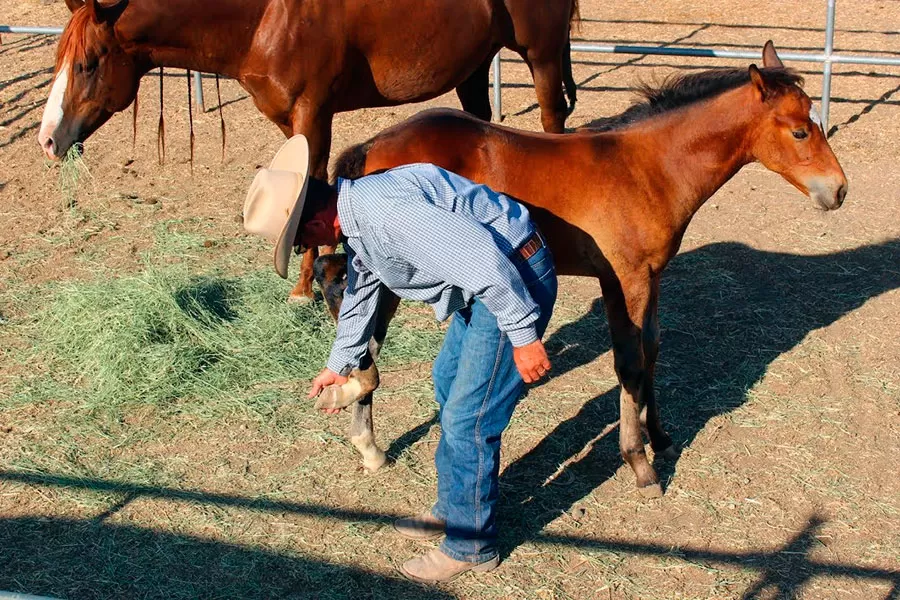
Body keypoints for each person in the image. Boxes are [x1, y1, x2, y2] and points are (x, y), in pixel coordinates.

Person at [243, 134, 557, 583]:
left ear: (313, 221)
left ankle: (471, 546)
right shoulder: (359, 216)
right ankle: (454, 509)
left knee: (470, 417)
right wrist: (341, 362)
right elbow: (363, 291)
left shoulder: (387, 215)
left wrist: (523, 336)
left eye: (298, 241)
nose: (304, 250)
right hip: (483, 288)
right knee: (448, 382)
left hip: (511, 281)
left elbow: (486, 262)